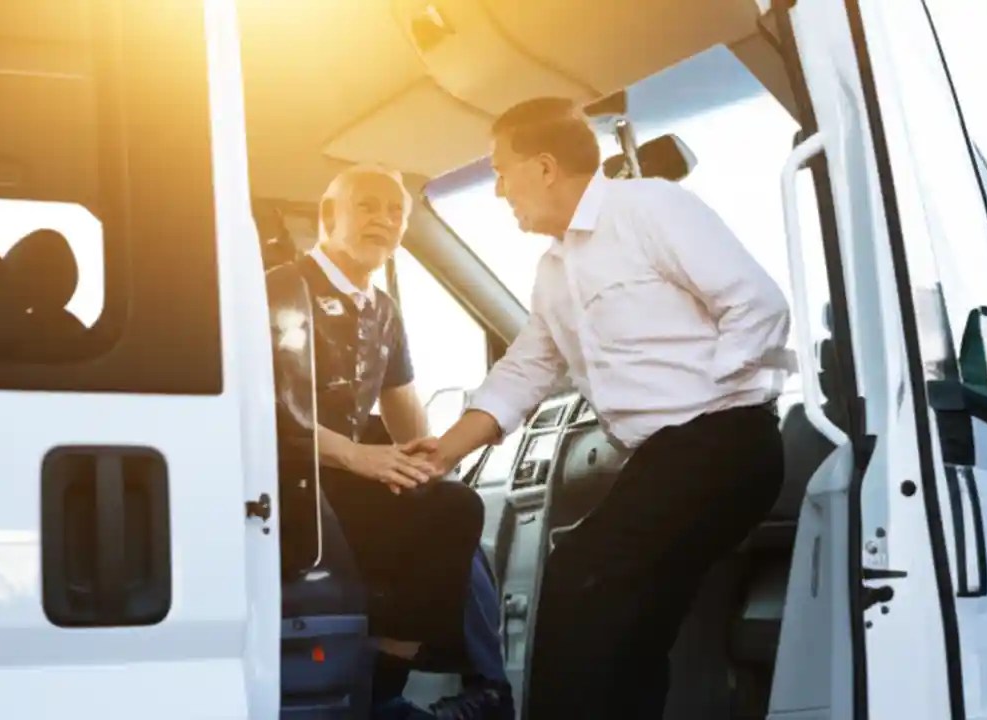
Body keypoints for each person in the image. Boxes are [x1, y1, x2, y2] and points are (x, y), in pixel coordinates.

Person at [406, 97, 792, 719]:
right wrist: (442, 452)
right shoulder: (554, 270)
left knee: (586, 577)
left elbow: (758, 305)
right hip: (670, 455)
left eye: (504, 170)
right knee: (629, 621)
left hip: (723, 443)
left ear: (546, 166)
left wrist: (709, 395)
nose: (501, 189)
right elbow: (526, 368)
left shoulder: (649, 208)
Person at [265, 163, 513, 719]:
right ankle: (398, 695)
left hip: (346, 474)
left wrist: (430, 460)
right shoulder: (285, 287)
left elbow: (402, 405)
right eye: (367, 207)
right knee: (452, 514)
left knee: (451, 510)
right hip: (291, 476)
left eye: (395, 212)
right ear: (329, 217)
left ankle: (403, 679)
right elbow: (270, 411)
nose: (384, 219)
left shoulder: (382, 309)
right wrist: (361, 458)